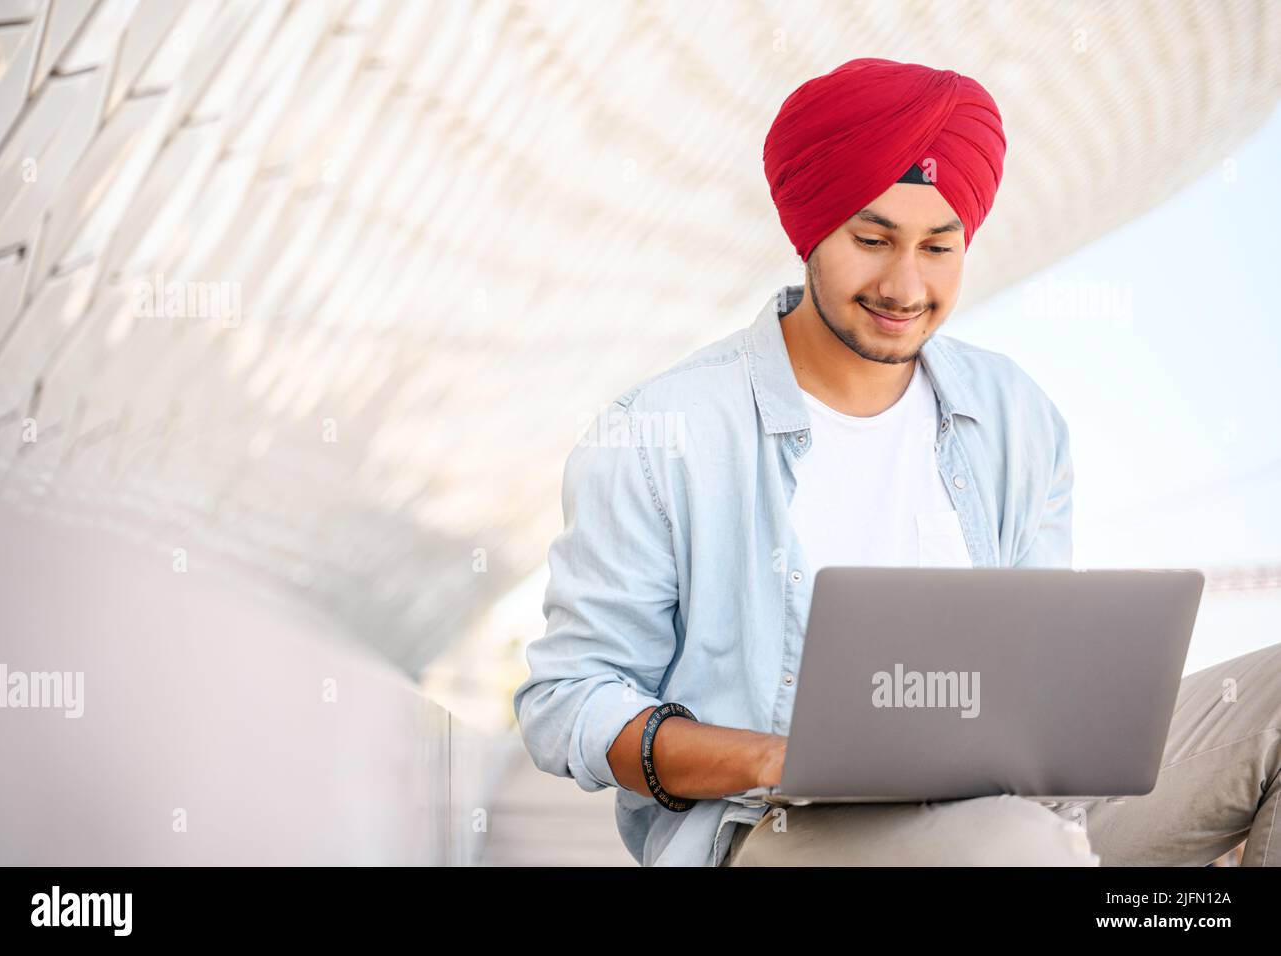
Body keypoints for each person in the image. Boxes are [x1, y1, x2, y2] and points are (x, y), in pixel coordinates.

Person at [512, 57, 1281, 867]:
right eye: (872, 240)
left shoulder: (1016, 416)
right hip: (777, 829)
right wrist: (777, 757)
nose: (905, 284)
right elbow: (569, 699)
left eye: (939, 247)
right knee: (1019, 848)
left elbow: (1037, 663)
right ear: (812, 230)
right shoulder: (664, 432)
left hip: (1011, 804)